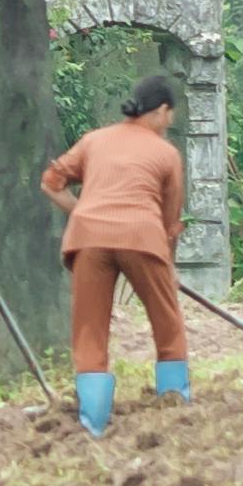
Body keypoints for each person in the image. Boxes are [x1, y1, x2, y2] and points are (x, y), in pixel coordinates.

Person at [40, 77, 195, 431]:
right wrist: (168, 266)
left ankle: (92, 422)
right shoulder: (166, 153)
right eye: (170, 115)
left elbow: (51, 182)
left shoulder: (94, 140)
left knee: (90, 330)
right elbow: (169, 221)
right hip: (142, 236)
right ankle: (175, 409)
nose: (169, 123)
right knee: (167, 323)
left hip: (89, 239)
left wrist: (83, 211)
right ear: (160, 111)